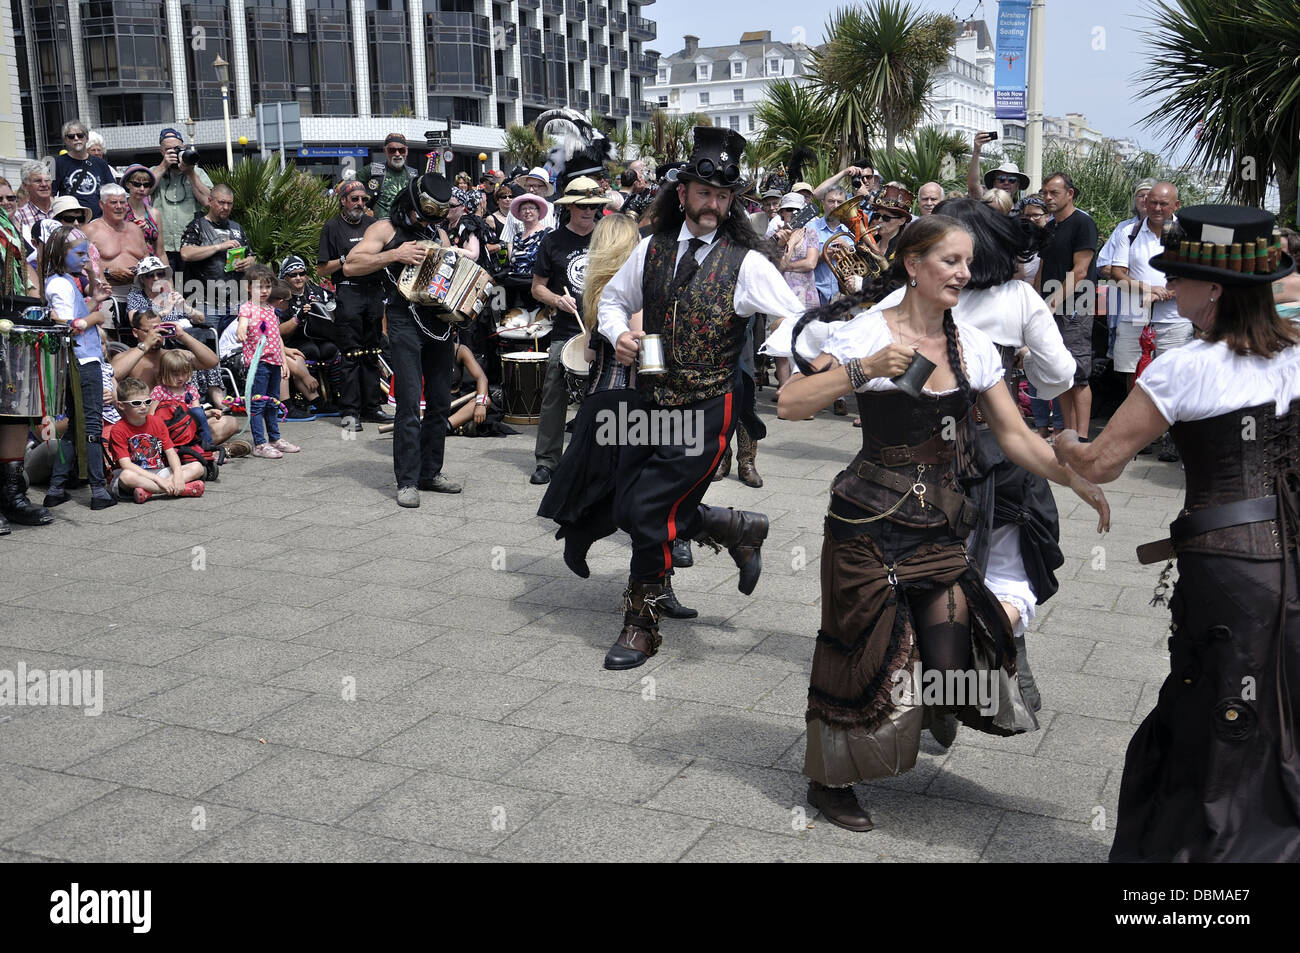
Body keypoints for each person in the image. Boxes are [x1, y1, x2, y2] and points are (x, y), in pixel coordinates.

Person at [777, 214, 1110, 832]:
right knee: (856, 648)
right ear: (913, 265)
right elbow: (790, 403)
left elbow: (1013, 435)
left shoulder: (973, 344)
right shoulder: (863, 331)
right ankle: (830, 781)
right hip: (866, 517)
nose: (964, 272)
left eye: (967, 262)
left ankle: (911, 709)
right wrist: (864, 368)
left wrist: (1073, 477)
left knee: (953, 663)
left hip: (938, 523)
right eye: (950, 261)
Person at [1053, 203, 1300, 862]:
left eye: (1180, 275)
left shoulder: (1181, 368)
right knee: (1271, 713)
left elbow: (1104, 462)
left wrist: (1065, 441)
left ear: (1214, 289)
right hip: (1291, 561)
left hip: (1227, 571)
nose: (1169, 285)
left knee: (1209, 720)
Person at [596, 125, 806, 670]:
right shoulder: (651, 248)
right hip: (647, 397)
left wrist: (783, 364)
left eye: (722, 196)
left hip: (708, 406)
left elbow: (792, 316)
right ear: (683, 192)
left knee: (649, 507)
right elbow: (612, 302)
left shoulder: (748, 262)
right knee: (629, 504)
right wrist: (617, 334)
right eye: (704, 193)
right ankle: (737, 528)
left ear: (731, 201)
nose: (712, 204)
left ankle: (640, 625)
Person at [539, 212, 697, 619]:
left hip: (601, 403)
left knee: (626, 497)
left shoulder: (596, 288)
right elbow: (647, 356)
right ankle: (650, 580)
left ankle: (586, 540)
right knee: (645, 503)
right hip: (632, 407)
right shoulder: (636, 291)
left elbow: (590, 353)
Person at [344, 172, 463, 507]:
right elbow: (351, 266)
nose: (422, 222)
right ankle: (407, 480)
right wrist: (393, 255)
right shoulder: (385, 228)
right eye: (419, 215)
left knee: (440, 400)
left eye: (431, 217)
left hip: (438, 322)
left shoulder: (438, 231)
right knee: (409, 402)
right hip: (402, 318)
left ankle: (430, 472)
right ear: (409, 203)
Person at [527, 176, 610, 485]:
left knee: (602, 397)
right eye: (582, 206)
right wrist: (556, 300)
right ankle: (547, 460)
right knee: (554, 393)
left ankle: (594, 460)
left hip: (603, 329)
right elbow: (537, 288)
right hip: (565, 330)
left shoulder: (607, 238)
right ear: (570, 207)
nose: (588, 212)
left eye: (593, 206)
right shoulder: (553, 241)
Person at [40, 226, 115, 509]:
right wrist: (96, 315)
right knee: (92, 424)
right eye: (79, 254)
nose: (85, 259)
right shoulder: (60, 283)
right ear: (62, 253)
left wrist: (94, 300)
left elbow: (73, 315)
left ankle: (56, 489)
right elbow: (70, 324)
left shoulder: (65, 281)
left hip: (78, 359)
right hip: (81, 360)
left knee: (74, 427)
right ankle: (98, 491)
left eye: (86, 254)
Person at [111, 302, 243, 453]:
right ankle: (198, 450)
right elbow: (112, 374)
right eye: (149, 331)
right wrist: (145, 345)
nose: (155, 336)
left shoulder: (172, 356)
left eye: (159, 330)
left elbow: (212, 361)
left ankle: (190, 450)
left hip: (180, 424)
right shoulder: (126, 357)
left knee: (230, 423)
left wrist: (183, 335)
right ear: (135, 332)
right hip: (146, 426)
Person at [317, 181, 388, 430]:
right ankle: (350, 412)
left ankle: (372, 407)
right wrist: (347, 259)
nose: (360, 204)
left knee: (372, 352)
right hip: (348, 293)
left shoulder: (373, 225)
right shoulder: (332, 227)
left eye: (363, 200)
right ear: (343, 201)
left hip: (374, 292)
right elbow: (322, 269)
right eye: (355, 199)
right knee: (350, 354)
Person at [1037, 171, 1099, 439]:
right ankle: (1067, 433)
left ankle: (1082, 438)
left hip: (1076, 306)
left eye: (1054, 193)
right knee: (1059, 371)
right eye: (1045, 193)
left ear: (1070, 193)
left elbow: (1081, 270)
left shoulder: (1083, 223)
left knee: (1079, 373)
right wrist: (1038, 302)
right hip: (1050, 307)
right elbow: (1042, 267)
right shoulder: (1049, 227)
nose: (1048, 198)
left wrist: (1052, 302)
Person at [105, 376, 206, 503]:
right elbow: (127, 465)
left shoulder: (157, 422)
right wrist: (158, 480)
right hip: (136, 475)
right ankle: (182, 489)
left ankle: (149, 491)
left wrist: (178, 475)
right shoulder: (118, 429)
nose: (143, 407)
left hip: (158, 470)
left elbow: (170, 452)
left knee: (198, 467)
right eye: (136, 403)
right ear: (121, 405)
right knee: (126, 476)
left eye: (147, 402)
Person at [179, 183, 256, 334]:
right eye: (221, 202)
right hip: (207, 303)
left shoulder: (237, 228)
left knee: (235, 347)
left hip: (236, 301)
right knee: (210, 348)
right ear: (210, 201)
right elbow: (186, 253)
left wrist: (249, 262)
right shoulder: (197, 226)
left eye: (229, 203)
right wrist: (218, 247)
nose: (226, 207)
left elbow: (251, 255)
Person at [237, 272, 298, 458]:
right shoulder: (247, 308)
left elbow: (277, 337)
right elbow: (242, 323)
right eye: (259, 287)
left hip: (274, 362)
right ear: (248, 288)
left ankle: (274, 438)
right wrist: (242, 331)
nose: (264, 291)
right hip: (259, 363)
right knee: (258, 403)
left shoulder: (271, 310)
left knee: (273, 402)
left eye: (267, 287)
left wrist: (283, 361)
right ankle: (259, 443)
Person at [83, 184, 153, 326]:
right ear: (102, 204)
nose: (119, 206)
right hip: (108, 296)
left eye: (122, 202)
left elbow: (148, 261)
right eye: (114, 202)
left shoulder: (135, 229)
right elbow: (82, 267)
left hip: (139, 295)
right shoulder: (90, 230)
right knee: (111, 343)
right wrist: (108, 273)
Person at [150, 128, 213, 277]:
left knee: (191, 290)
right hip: (163, 246)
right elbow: (145, 190)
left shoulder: (198, 172)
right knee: (167, 290)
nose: (173, 153)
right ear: (161, 152)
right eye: (168, 150)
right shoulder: (154, 171)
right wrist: (163, 166)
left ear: (183, 149)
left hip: (191, 246)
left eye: (177, 149)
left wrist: (190, 173)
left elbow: (208, 202)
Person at [278, 256, 338, 413]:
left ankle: (338, 395)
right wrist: (298, 318)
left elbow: (334, 311)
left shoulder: (319, 292)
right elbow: (277, 332)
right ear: (285, 277)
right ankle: (307, 399)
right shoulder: (281, 297)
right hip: (292, 341)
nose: (298, 277)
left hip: (320, 337)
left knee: (332, 349)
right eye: (293, 274)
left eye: (301, 273)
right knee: (310, 350)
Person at [53, 119, 116, 219]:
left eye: (80, 135)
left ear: (86, 138)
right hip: (71, 221)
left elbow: (112, 192)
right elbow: (50, 194)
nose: (76, 138)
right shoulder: (57, 163)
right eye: (71, 136)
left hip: (98, 221)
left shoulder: (100, 163)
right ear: (66, 140)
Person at [503, 193, 551, 305]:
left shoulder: (548, 234)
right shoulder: (517, 237)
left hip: (539, 289)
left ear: (538, 212)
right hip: (518, 290)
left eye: (531, 208)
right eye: (524, 209)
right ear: (519, 213)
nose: (527, 211)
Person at [366, 133, 419, 220]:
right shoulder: (373, 169)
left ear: (406, 151)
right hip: (381, 228)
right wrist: (366, 210)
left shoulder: (413, 174)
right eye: (392, 150)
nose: (397, 154)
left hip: (405, 228)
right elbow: (349, 186)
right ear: (385, 151)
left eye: (401, 150)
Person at [118, 164, 165, 259]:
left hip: (152, 266)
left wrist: (167, 272)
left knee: (178, 274)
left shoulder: (155, 213)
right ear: (127, 184)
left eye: (146, 185)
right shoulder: (119, 212)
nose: (142, 189)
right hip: (127, 265)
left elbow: (161, 252)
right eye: (137, 184)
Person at [967, 132, 1028, 200]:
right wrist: (976, 150)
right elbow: (973, 187)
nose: (1006, 183)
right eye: (1001, 179)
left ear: (1017, 185)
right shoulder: (986, 205)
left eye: (1012, 180)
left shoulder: (1022, 208)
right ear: (994, 182)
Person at [12, 161, 54, 237]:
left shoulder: (61, 209)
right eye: (38, 181)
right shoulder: (19, 217)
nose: (44, 184)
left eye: (47, 180)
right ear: (25, 186)